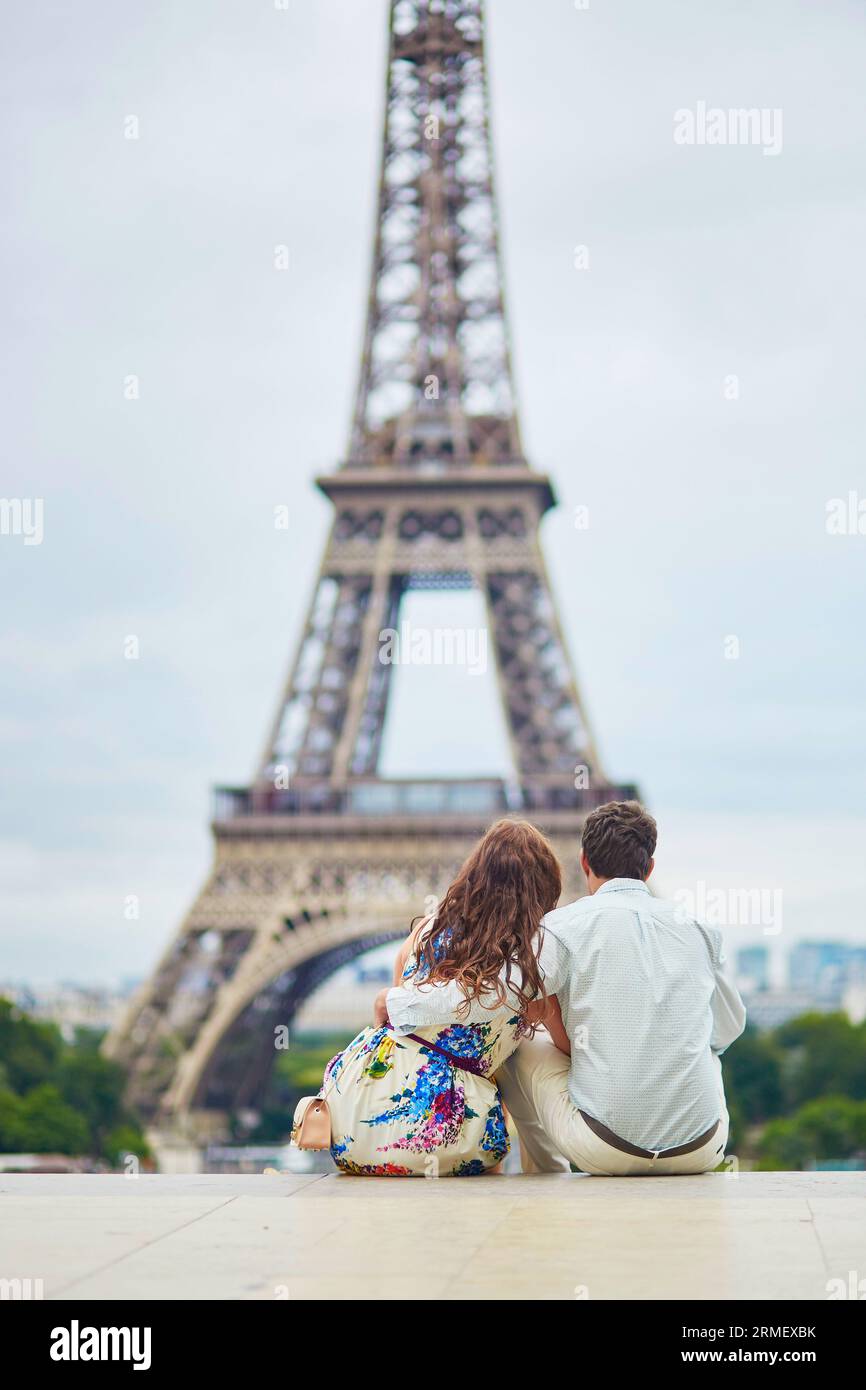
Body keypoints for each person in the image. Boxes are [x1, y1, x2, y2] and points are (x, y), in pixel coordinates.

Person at [387, 801, 747, 1176]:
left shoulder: (561, 929)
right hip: (702, 1150)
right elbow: (728, 1028)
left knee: (519, 1045)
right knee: (705, 1047)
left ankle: (546, 1172)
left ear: (584, 863)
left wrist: (400, 1003)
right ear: (649, 867)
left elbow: (491, 998)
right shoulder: (701, 929)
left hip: (604, 1149)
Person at [319, 819, 565, 1176]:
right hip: (447, 1138)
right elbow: (565, 1045)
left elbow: (393, 1025)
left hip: (357, 1128)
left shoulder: (424, 933)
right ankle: (548, 1171)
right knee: (515, 1058)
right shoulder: (526, 966)